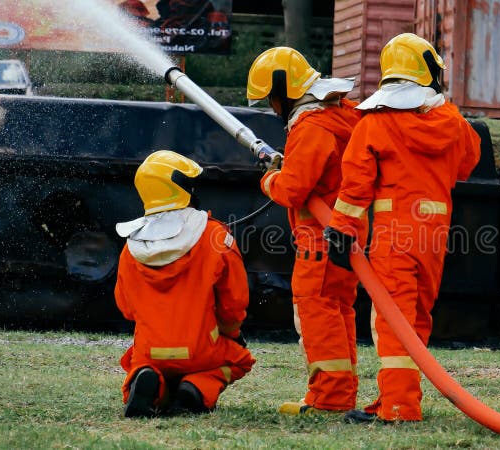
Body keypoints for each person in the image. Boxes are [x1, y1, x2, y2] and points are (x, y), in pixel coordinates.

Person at [324, 33, 481, 423]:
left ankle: (398, 406)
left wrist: (341, 230)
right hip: (435, 235)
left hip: (395, 235)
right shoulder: (453, 122)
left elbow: (356, 185)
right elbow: (469, 163)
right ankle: (397, 398)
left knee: (394, 322)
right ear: (429, 72)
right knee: (417, 319)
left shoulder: (374, 123)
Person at [246, 47, 365, 415]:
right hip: (345, 237)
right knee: (338, 312)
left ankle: (328, 399)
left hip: (319, 240)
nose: (272, 106)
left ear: (283, 91)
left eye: (271, 99)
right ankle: (339, 395)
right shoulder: (341, 116)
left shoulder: (312, 126)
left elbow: (292, 190)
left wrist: (270, 179)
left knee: (317, 314)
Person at [114, 150, 256, 418]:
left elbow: (126, 307)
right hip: (203, 349)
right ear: (184, 188)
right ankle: (196, 388)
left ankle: (149, 381)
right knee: (240, 360)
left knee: (142, 362)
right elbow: (234, 302)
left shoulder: (131, 246)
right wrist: (232, 333)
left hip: (150, 350)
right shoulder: (215, 235)